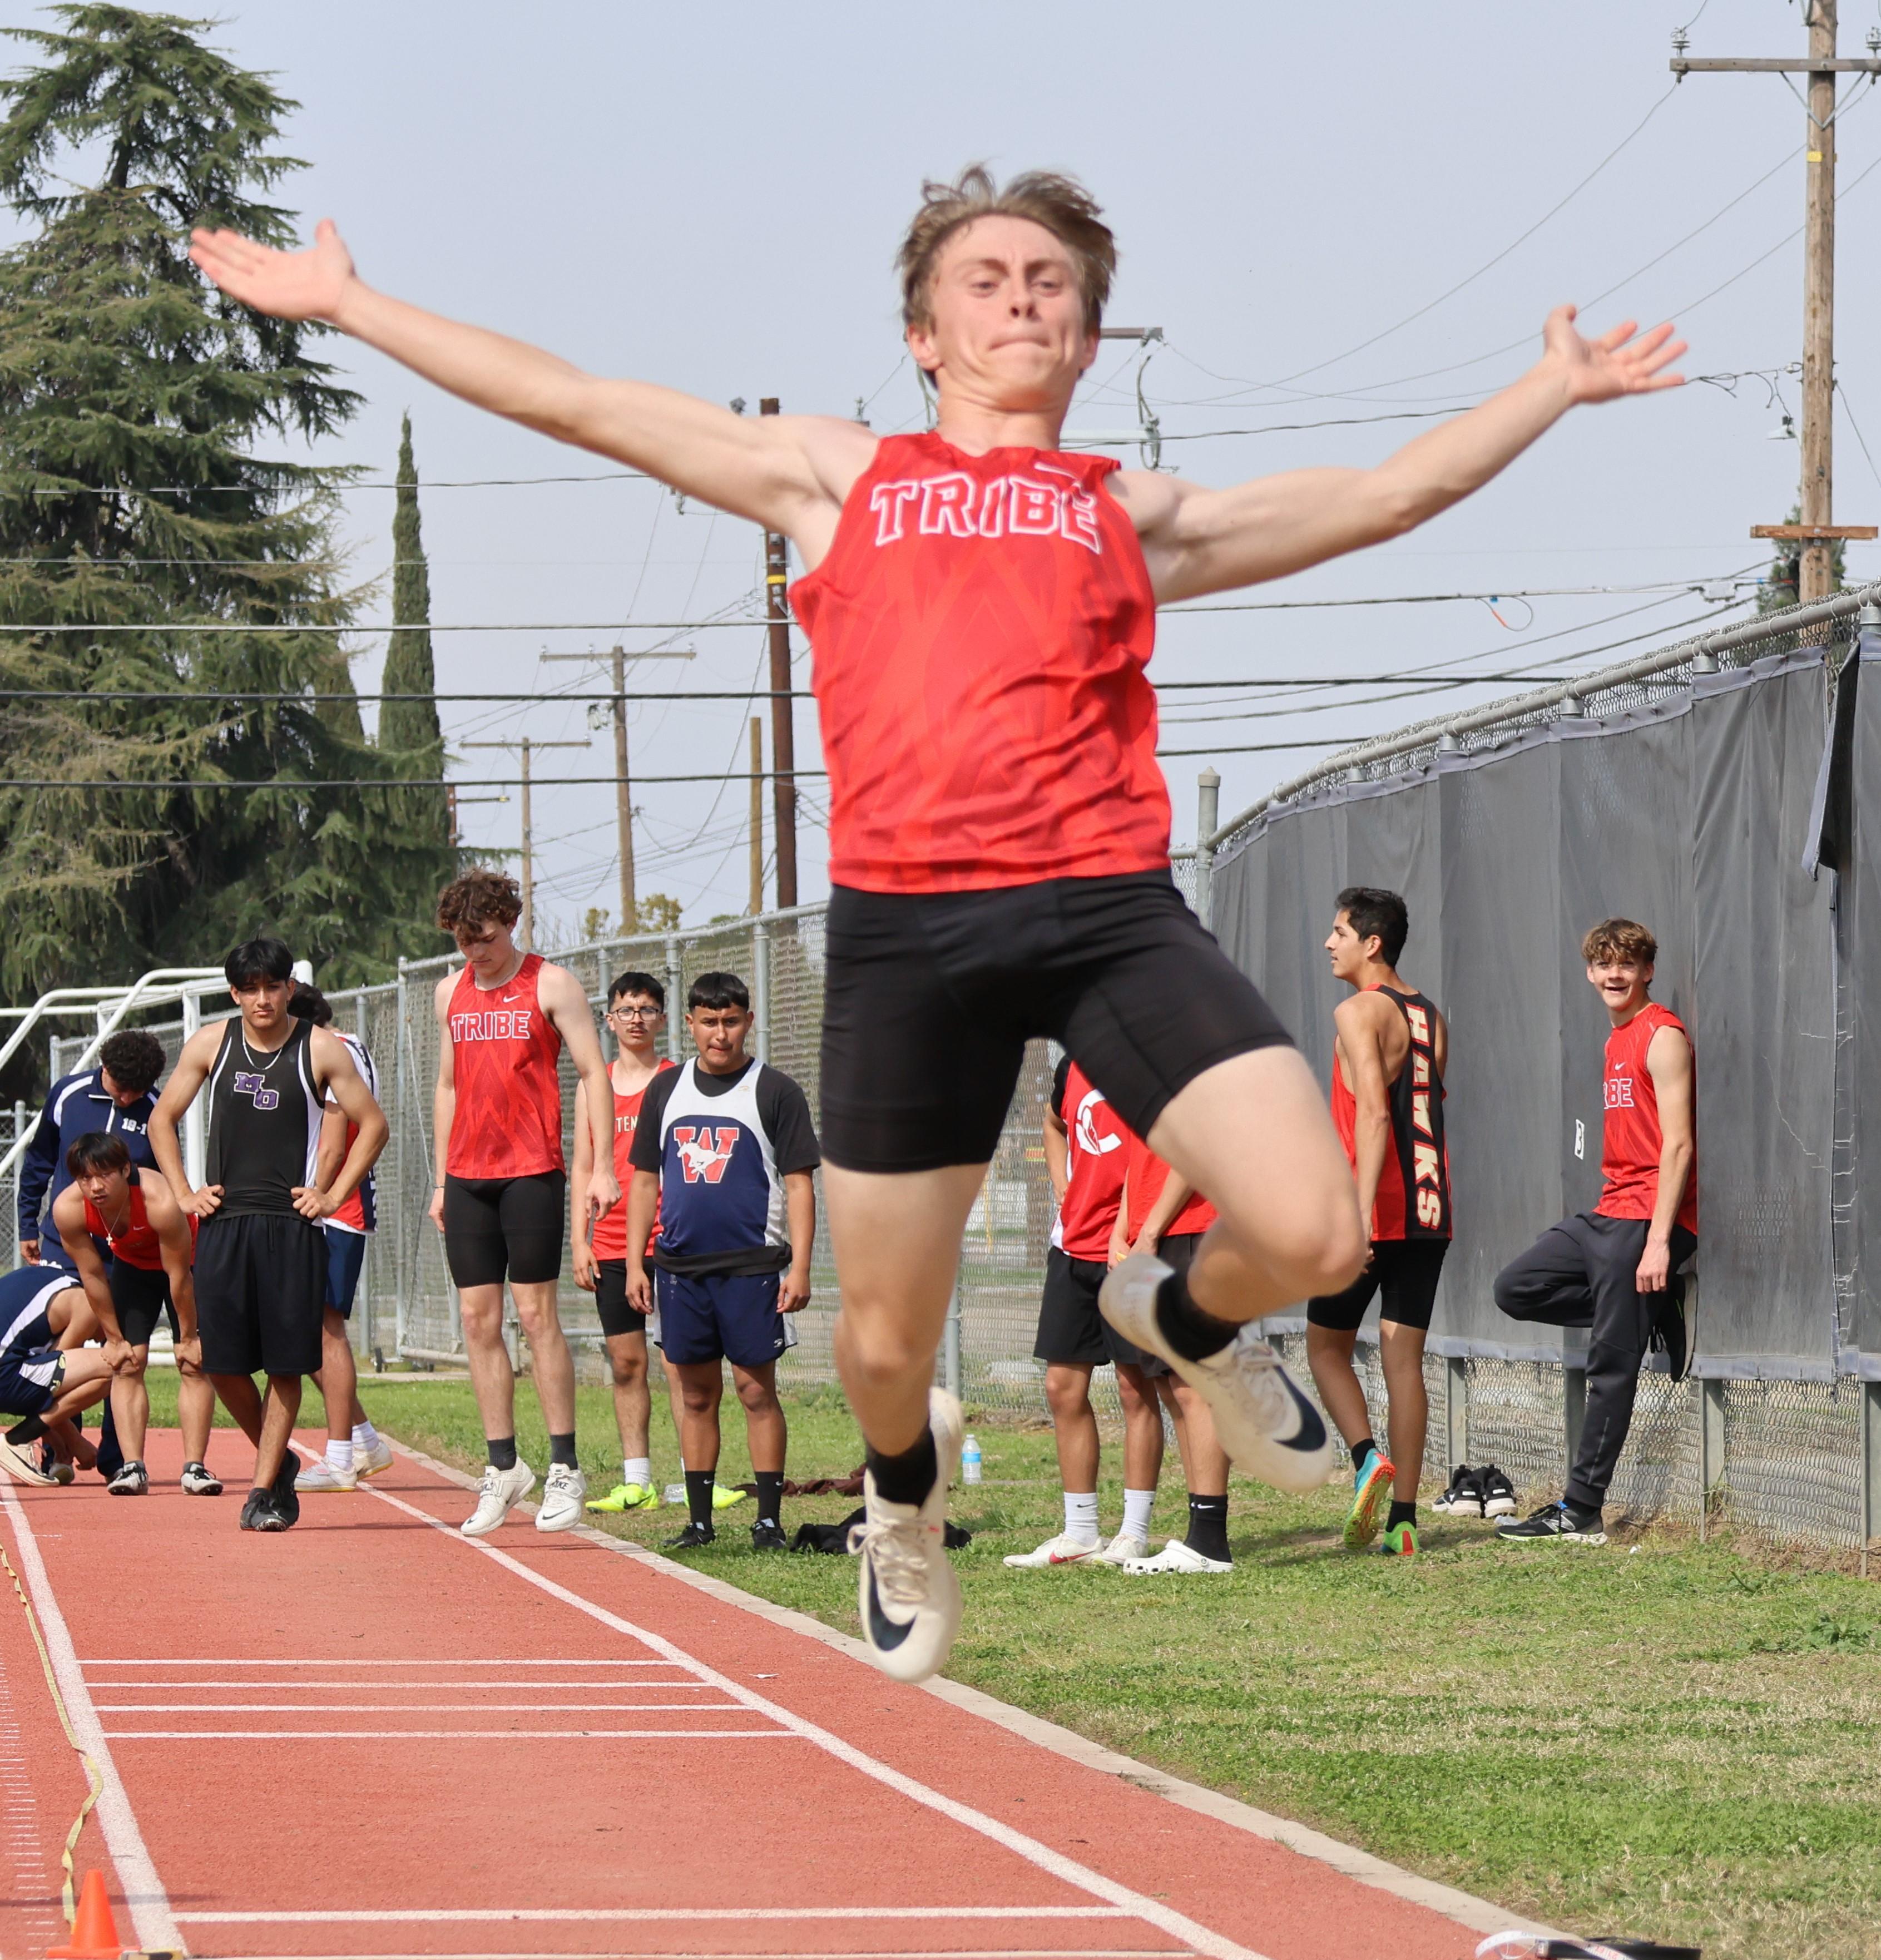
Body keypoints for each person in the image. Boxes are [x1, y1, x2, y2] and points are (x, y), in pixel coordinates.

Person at [194, 164, 1685, 1677]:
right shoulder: (838, 478)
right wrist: (351, 304)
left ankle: (1172, 1308)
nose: (1020, 296)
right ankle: (900, 1498)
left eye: (1048, 280)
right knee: (884, 1342)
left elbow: (1383, 498)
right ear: (922, 330)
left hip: (1105, 908)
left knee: (1307, 1222)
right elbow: (578, 400)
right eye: (986, 277)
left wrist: (1546, 387)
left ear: (1089, 338)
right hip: (911, 931)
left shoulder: (1132, 513)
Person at [148, 937, 388, 1533]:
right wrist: (182, 1193)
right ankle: (277, 1463)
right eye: (249, 988)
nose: (262, 998)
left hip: (292, 1224)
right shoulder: (212, 1043)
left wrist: (331, 1195)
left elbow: (373, 1125)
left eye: (272, 986)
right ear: (235, 993)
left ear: (288, 989)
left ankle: (260, 1491)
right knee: (221, 1364)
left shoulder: (320, 1047)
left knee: (285, 1365)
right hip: (225, 1223)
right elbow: (162, 1119)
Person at [1492, 918, 1697, 1544]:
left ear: (1647, 972)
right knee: (1515, 1288)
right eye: (1604, 965)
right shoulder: (1614, 1039)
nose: (1615, 975)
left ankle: (1580, 1510)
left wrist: (1660, 1241)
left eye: (1627, 965)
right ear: (1589, 972)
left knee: (1609, 1361)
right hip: (1607, 1209)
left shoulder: (1662, 1036)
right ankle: (1644, 1309)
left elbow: (1681, 1145)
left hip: (1645, 1219)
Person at [428, 870, 617, 1538]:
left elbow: (595, 1071)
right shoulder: (449, 990)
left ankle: (565, 1467)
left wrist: (601, 1169)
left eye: (483, 938)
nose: (474, 952)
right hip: (467, 1175)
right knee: (478, 1321)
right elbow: (448, 1085)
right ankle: (503, 1466)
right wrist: (440, 1177)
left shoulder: (551, 983)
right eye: (462, 941)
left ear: (510, 923)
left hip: (532, 1170)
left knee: (536, 1314)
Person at [623, 973, 817, 1551]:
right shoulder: (665, 1091)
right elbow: (642, 1181)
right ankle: (700, 1521)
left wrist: (800, 1267)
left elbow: (800, 1185)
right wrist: (636, 1262)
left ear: (747, 1022)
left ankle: (767, 1521)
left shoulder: (775, 1091)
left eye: (730, 1021)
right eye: (708, 1022)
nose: (720, 1033)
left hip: (752, 1269)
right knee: (695, 1395)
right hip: (679, 1272)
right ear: (690, 1025)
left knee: (756, 1392)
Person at [1304, 889, 1452, 1560]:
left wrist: (1360, 1217)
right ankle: (1404, 1521)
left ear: (1372, 943)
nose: (1329, 943)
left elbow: (1370, 1114)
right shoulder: (1430, 1016)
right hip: (1430, 1209)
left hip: (1373, 1210)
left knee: (1324, 1348)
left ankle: (1366, 1457)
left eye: (1338, 932)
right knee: (1404, 1363)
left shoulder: (1355, 1012)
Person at [1006, 1056, 1171, 1569]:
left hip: (1125, 1250)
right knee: (1062, 1387)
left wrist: (1143, 1230)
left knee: (1133, 1387)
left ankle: (1134, 1532)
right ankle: (1079, 1531)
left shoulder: (1148, 1063)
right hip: (1071, 1248)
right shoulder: (1070, 1067)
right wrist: (1062, 1185)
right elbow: (1054, 1122)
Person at [17, 1027, 166, 1480]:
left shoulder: (155, 1108)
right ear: (105, 1070)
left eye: (136, 1092)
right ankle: (58, 1449)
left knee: (120, 1347)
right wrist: (28, 1222)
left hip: (123, 1252)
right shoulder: (68, 1094)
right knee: (61, 1348)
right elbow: (40, 1159)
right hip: (66, 1243)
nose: (127, 1099)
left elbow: (159, 1178)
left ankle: (117, 1457)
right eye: (122, 1089)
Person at [48, 1132, 218, 1497]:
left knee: (192, 1362)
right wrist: (113, 1337)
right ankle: (132, 1467)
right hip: (132, 1266)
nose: (95, 1187)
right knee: (127, 1361)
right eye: (85, 1178)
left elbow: (179, 1276)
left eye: (104, 1175)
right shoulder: (68, 1209)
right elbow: (92, 1274)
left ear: (126, 1169)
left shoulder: (158, 1198)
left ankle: (195, 1468)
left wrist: (188, 1337)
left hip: (185, 1265)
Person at [1110, 1129, 1239, 1575]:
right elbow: (1139, 1159)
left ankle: (1210, 1539)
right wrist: (1121, 1230)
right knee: (1170, 1385)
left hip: (1194, 1228)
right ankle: (1199, 1534)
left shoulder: (1182, 1061)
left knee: (1194, 1386)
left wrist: (1149, 1230)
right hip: (1159, 1232)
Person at [573, 971, 677, 1513]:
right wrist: (579, 1241)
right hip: (611, 1245)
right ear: (609, 1020)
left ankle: (693, 1477)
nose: (636, 1018)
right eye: (626, 1009)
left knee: (684, 1362)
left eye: (646, 1009)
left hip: (672, 1240)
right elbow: (584, 1165)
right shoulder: (596, 1086)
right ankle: (636, 1479)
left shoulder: (677, 1079)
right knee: (626, 1363)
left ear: (661, 1018)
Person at [285, 986, 395, 1491]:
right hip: (328, 1204)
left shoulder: (335, 1051)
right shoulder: (346, 1045)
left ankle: (340, 1457)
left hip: (335, 1207)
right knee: (310, 1332)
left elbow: (333, 1142)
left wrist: (320, 1195)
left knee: (325, 1331)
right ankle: (364, 1438)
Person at [0, 1263, 113, 1488]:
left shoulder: (48, 1282)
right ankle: (17, 1440)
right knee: (116, 1366)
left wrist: (59, 1444)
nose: (98, 1340)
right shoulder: (87, 1307)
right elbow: (53, 1390)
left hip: (7, 1369)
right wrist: (76, 1443)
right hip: (4, 1376)